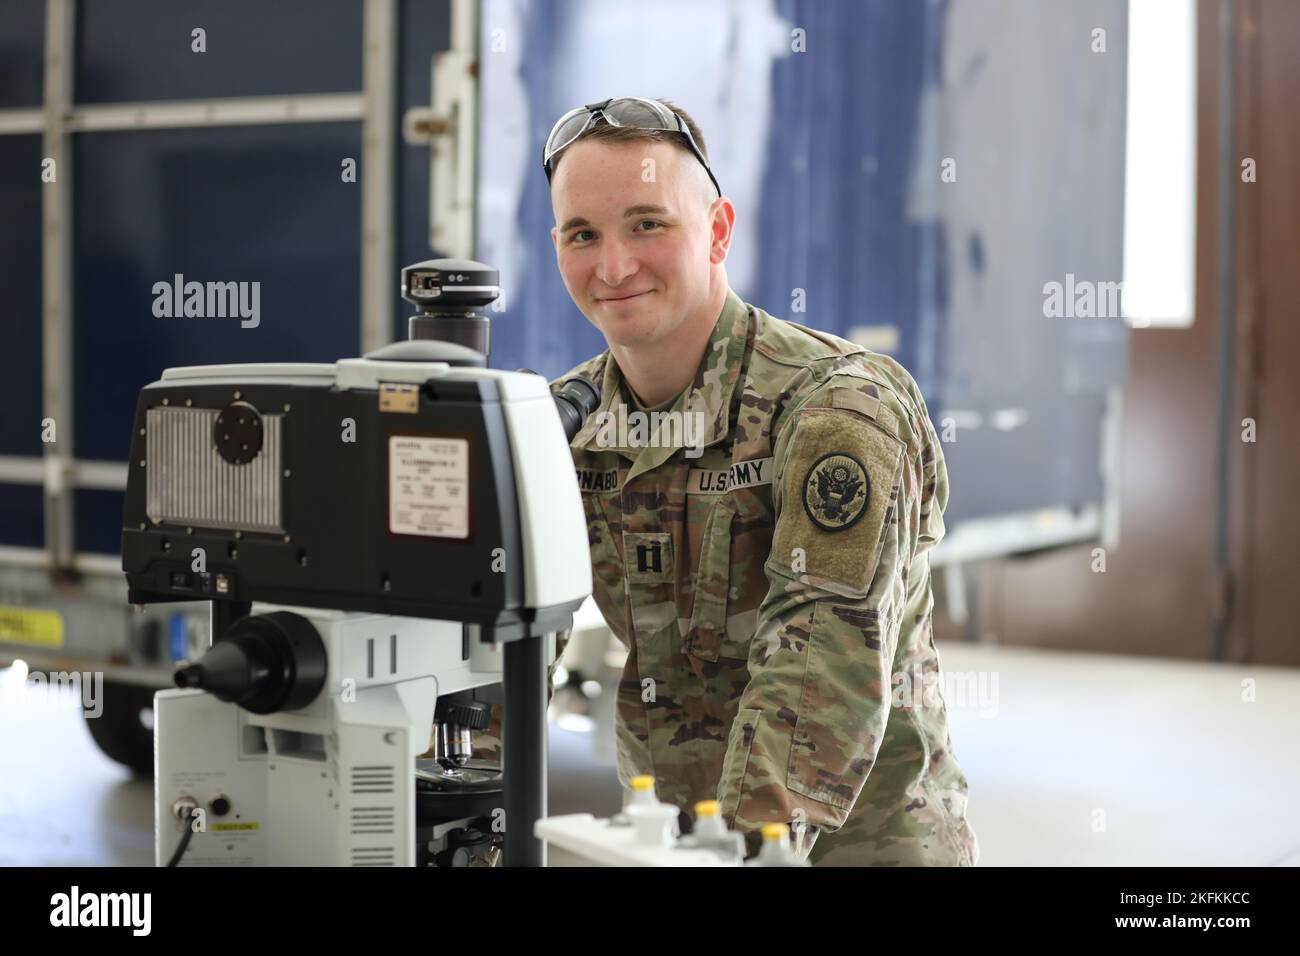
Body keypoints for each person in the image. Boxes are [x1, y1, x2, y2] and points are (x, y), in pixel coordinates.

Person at [544, 96, 977, 865]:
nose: (612, 267)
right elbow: (501, 638)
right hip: (675, 841)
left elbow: (818, 671)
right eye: (583, 234)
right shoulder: (568, 426)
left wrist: (731, 854)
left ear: (716, 232)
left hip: (846, 847)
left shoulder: (838, 409)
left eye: (648, 223)